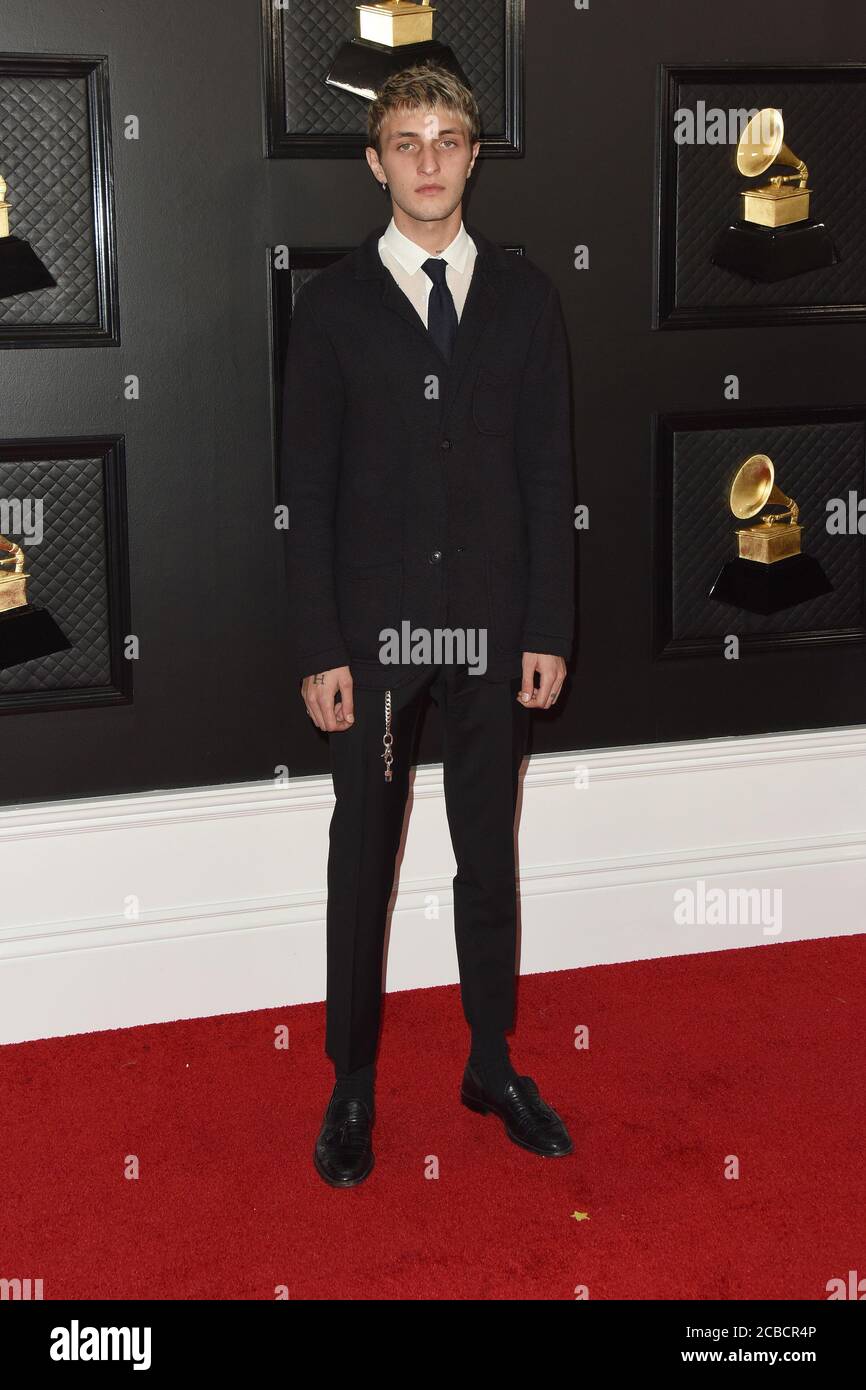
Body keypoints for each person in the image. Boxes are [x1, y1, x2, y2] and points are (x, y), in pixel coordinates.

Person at [280, 64, 575, 1186]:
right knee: (365, 859)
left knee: (483, 853)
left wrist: (546, 623)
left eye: (448, 137)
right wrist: (318, 643)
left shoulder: (523, 296)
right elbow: (304, 491)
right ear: (373, 160)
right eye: (406, 141)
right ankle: (349, 1081)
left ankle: (489, 1063)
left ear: (472, 153)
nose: (429, 160)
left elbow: (549, 476)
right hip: (374, 639)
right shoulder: (335, 305)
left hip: (496, 629)